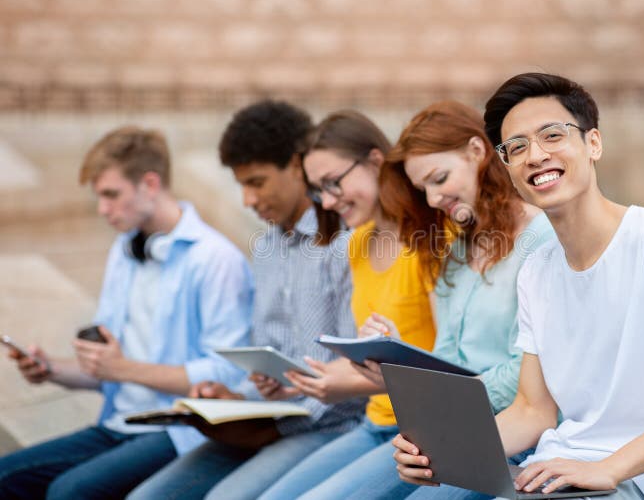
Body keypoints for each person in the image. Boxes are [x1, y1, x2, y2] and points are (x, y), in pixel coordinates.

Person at [393, 73, 644, 500]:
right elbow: (532, 410)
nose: (535, 155)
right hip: (556, 471)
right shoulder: (538, 269)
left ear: (593, 144)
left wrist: (609, 467)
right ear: (506, 167)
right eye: (517, 148)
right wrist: (440, 451)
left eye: (552, 135)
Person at [264, 101, 555, 500]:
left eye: (439, 178)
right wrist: (402, 366)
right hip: (445, 426)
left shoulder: (539, 241)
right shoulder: (457, 252)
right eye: (424, 189)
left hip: (514, 435)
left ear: (477, 152)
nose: (434, 198)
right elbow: (449, 355)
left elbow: (529, 373)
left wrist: (437, 397)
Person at [128, 101, 365, 500]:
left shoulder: (344, 242)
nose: (247, 199)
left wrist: (267, 428)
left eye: (256, 182)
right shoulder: (267, 247)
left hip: (330, 427)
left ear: (296, 166)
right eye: (241, 185)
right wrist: (237, 399)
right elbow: (271, 361)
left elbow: (357, 380)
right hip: (267, 420)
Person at [0, 126, 253, 499]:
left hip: (179, 430)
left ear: (150, 184)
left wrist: (124, 369)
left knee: (71, 492)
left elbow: (229, 373)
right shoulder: (124, 251)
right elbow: (107, 370)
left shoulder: (216, 260)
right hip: (118, 424)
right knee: (6, 476)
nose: (102, 209)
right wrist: (52, 370)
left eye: (111, 195)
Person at [254, 110, 438, 500]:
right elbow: (368, 357)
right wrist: (297, 382)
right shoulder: (356, 244)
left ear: (375, 160)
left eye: (334, 183)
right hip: (377, 423)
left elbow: (451, 361)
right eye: (320, 190)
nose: (330, 201)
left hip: (427, 430)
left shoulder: (432, 239)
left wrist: (339, 386)